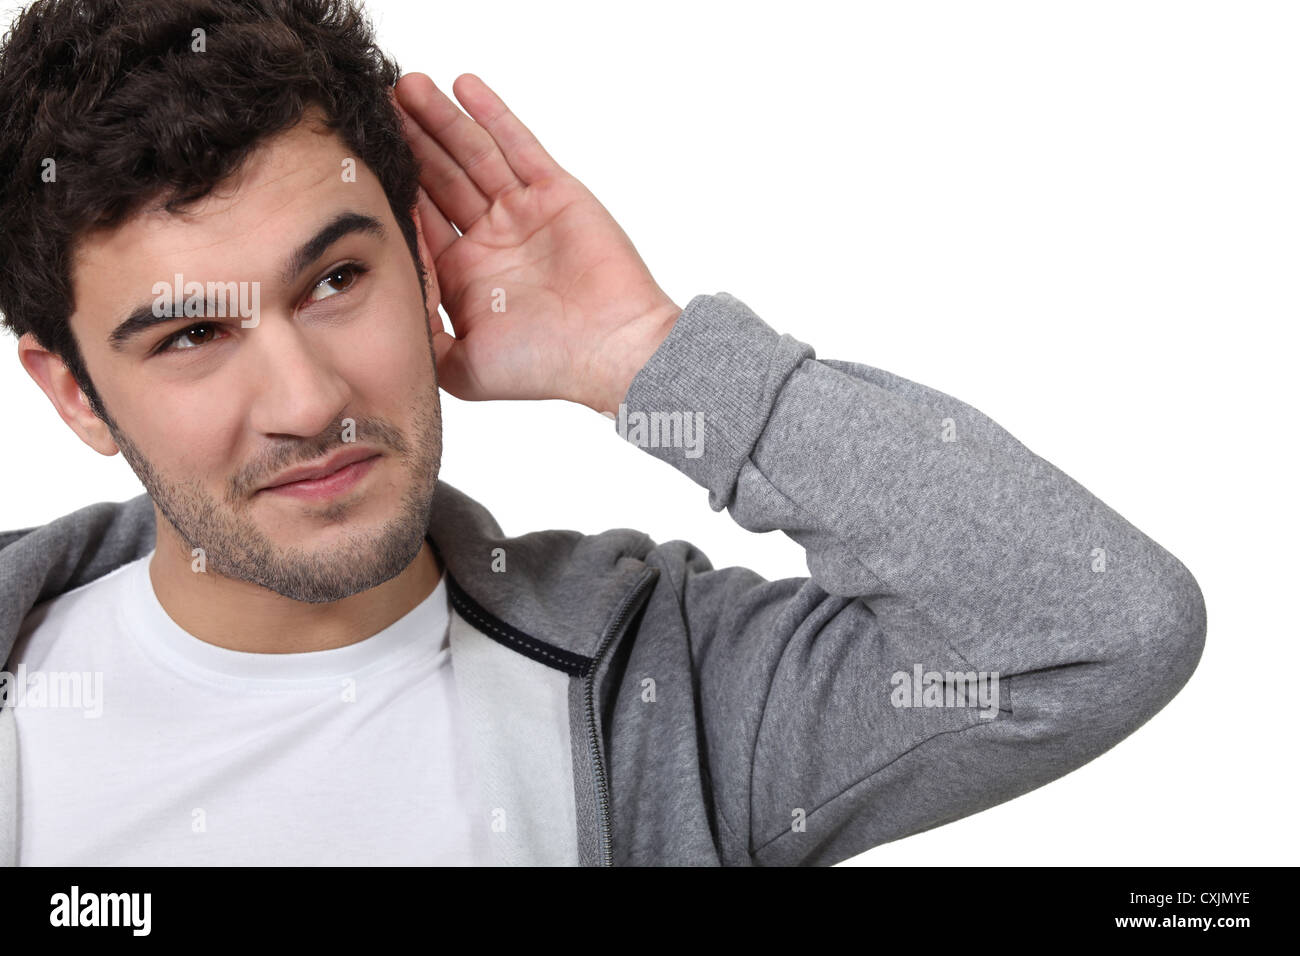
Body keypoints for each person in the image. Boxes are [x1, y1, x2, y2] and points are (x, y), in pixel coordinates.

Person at [0, 0, 1206, 866]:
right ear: (71, 392)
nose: (309, 401)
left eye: (333, 282)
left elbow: (1100, 631)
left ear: (423, 262)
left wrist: (646, 356)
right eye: (191, 338)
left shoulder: (668, 689)